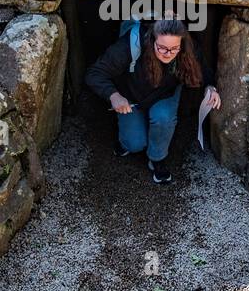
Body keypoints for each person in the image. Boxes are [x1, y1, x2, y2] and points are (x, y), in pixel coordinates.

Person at [85, 17, 220, 184]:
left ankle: (157, 158)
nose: (168, 54)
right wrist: (114, 96)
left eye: (174, 49)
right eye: (162, 48)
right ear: (152, 40)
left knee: (163, 118)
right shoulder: (131, 45)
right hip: (131, 96)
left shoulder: (187, 47)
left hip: (165, 93)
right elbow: (95, 73)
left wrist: (210, 87)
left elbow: (203, 68)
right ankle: (126, 141)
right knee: (134, 143)